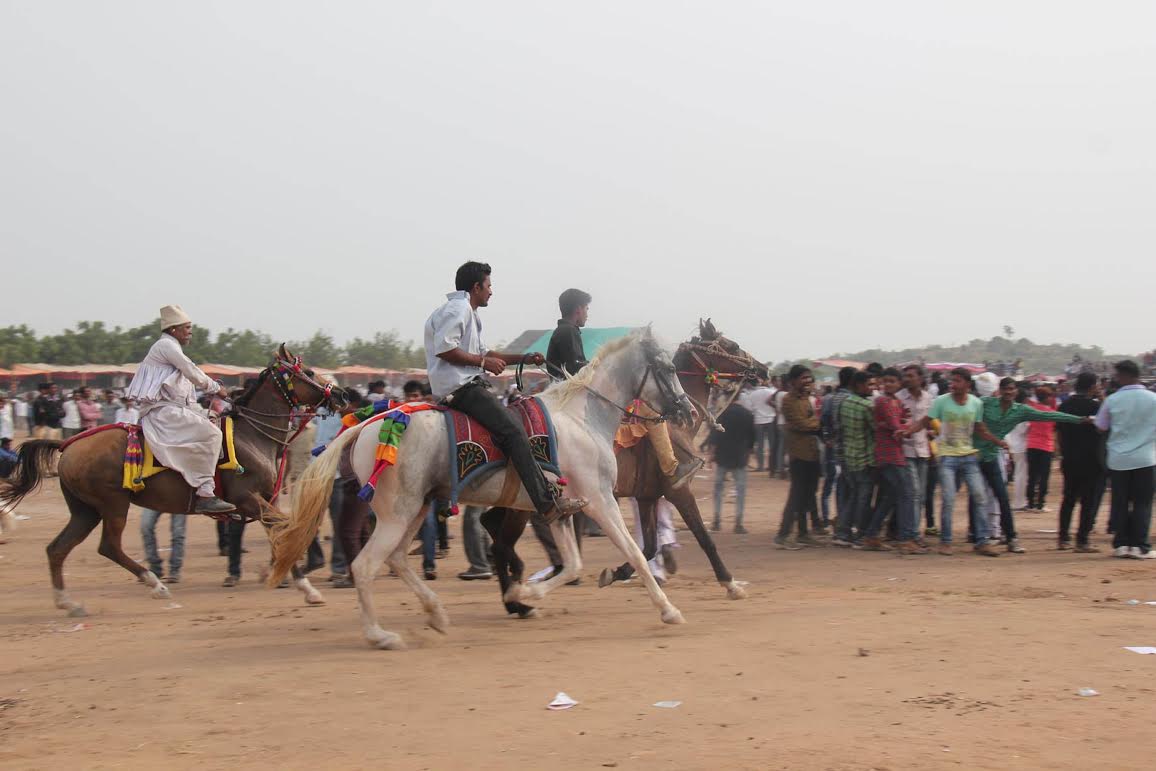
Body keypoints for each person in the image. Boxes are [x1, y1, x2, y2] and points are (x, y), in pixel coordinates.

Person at [424, 262, 586, 524]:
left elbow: (487, 353)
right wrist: (481, 363)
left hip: (467, 385)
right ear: (476, 287)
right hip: (461, 388)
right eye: (488, 286)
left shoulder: (468, 311)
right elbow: (445, 349)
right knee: (513, 430)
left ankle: (503, 510)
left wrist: (523, 358)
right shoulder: (459, 309)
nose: (491, 291)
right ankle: (546, 503)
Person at [124, 304, 235, 515]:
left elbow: (186, 398)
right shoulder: (166, 346)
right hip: (162, 413)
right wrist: (216, 388)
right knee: (213, 435)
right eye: (187, 327)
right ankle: (205, 494)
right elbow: (192, 371)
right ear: (173, 329)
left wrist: (206, 412)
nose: (190, 332)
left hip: (173, 409)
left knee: (213, 421)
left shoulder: (172, 350)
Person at [973, 377, 1084, 553]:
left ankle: (1011, 538)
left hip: (992, 456)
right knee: (977, 497)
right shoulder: (985, 403)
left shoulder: (1020, 410)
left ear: (1015, 391)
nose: (1009, 392)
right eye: (1006, 389)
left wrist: (1078, 420)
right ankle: (977, 536)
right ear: (1000, 390)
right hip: (972, 455)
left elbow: (1048, 415)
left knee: (1001, 497)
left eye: (1012, 389)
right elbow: (971, 419)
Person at [913, 368, 1006, 557]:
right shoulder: (941, 401)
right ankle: (946, 541)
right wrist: (907, 431)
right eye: (952, 381)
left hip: (969, 456)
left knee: (980, 497)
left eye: (957, 381)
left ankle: (982, 541)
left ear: (967, 385)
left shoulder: (976, 403)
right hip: (947, 457)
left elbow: (979, 428)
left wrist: (997, 441)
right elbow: (925, 421)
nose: (953, 384)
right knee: (948, 499)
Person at [1094, 360, 1156, 559]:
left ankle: (1121, 544)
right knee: (1143, 503)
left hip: (1119, 459)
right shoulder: (1153, 398)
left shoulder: (1112, 400)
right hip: (1146, 458)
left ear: (1124, 376)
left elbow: (1101, 426)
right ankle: (1140, 546)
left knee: (1120, 502)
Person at [862, 368, 923, 553]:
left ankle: (872, 535)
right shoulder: (886, 401)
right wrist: (904, 428)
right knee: (907, 494)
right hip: (892, 456)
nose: (888, 384)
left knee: (891, 497)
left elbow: (898, 423)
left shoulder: (894, 401)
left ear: (899, 384)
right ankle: (906, 539)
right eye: (886, 381)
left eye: (892, 381)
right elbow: (898, 426)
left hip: (889, 454)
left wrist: (901, 426)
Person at [1056, 372, 1106, 552]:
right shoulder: (1096, 407)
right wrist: (1102, 399)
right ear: (1092, 386)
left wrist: (1063, 453)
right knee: (1088, 501)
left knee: (1068, 499)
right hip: (1091, 460)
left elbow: (1059, 433)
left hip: (1070, 458)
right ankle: (1082, 540)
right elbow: (1105, 427)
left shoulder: (1064, 405)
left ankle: (1063, 538)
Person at [776, 365, 823, 546]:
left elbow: (808, 423)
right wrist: (816, 423)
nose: (808, 381)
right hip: (799, 454)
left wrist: (813, 423)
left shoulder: (806, 399)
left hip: (811, 452)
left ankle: (803, 533)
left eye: (809, 378)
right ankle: (783, 534)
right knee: (796, 496)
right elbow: (802, 424)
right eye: (804, 378)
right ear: (793, 381)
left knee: (808, 495)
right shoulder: (788, 400)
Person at [833, 371, 874, 547]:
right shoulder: (867, 406)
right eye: (869, 384)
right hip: (864, 458)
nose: (872, 388)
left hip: (849, 457)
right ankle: (861, 534)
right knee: (863, 498)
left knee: (854, 495)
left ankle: (843, 532)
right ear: (858, 385)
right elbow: (875, 430)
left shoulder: (845, 403)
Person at [705, 395, 755, 534]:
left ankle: (717, 521)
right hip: (740, 457)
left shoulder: (723, 414)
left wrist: (711, 455)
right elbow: (752, 439)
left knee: (718, 489)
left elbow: (715, 436)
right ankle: (738, 523)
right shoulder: (748, 414)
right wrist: (748, 454)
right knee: (740, 490)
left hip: (723, 456)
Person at [897, 364, 934, 541]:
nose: (907, 379)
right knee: (913, 493)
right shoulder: (899, 398)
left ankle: (912, 532)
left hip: (923, 450)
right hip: (905, 449)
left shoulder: (928, 398)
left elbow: (929, 422)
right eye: (905, 376)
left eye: (911, 376)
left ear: (920, 378)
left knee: (919, 495)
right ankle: (910, 534)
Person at [1025, 384, 1060, 510]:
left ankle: (1030, 502)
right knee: (1044, 476)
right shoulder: (1051, 413)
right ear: (1046, 398)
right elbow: (1055, 427)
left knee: (1032, 475)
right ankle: (1040, 503)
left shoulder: (1032, 410)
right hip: (1046, 447)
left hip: (1032, 445)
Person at [139, 508, 186, 582]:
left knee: (178, 533)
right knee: (146, 527)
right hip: (154, 499)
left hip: (179, 500)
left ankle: (174, 570)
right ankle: (155, 568)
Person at [745, 378, 778, 472]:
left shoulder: (751, 394)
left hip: (758, 420)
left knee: (760, 445)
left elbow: (749, 409)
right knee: (772, 445)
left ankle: (761, 466)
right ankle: (773, 466)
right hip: (771, 419)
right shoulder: (772, 391)